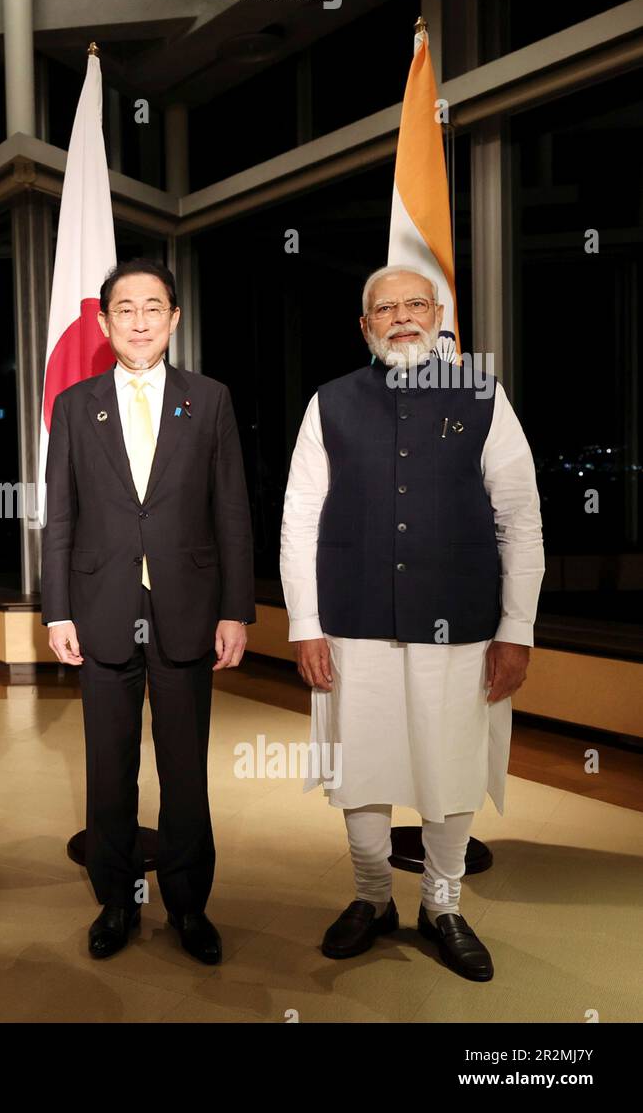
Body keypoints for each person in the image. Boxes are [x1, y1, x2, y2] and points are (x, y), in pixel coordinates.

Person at [279, 265, 544, 982]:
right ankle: (372, 897)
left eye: (414, 304)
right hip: (350, 621)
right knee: (357, 767)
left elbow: (520, 517)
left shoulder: (484, 397)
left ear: (439, 315)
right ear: (365, 327)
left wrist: (517, 628)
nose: (401, 316)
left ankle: (441, 904)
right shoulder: (329, 403)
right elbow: (299, 517)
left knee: (450, 767)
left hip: (461, 625)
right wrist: (303, 621)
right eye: (384, 308)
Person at [41, 258, 255, 964]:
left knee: (185, 768)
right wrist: (57, 611)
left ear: (174, 319)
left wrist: (235, 609)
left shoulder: (210, 400)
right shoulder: (74, 405)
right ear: (104, 323)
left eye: (152, 307)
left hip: (188, 610)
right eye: (124, 309)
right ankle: (117, 901)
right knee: (109, 769)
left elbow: (231, 510)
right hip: (99, 610)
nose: (138, 320)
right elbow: (61, 516)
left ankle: (189, 906)